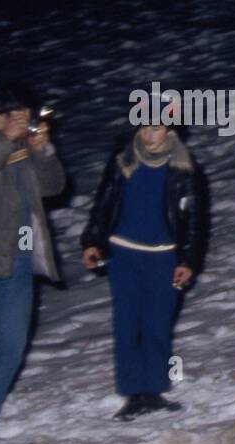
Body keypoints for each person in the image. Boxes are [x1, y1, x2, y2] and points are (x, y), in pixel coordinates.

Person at [81, 121, 207, 420]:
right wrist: (92, 242)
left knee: (157, 323)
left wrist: (187, 260)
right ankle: (132, 392)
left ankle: (153, 388)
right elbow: (103, 204)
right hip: (124, 253)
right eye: (145, 128)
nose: (149, 135)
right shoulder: (123, 161)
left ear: (170, 132)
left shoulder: (184, 167)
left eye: (157, 129)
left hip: (163, 257)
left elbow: (194, 220)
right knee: (127, 324)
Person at [0, 82, 65, 444]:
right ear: (2, 113)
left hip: (22, 258)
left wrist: (43, 152)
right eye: (20, 117)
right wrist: (2, 141)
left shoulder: (20, 143)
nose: (25, 123)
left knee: (11, 349)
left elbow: (55, 187)